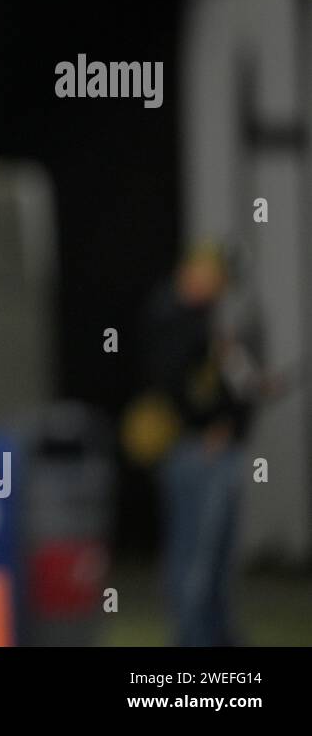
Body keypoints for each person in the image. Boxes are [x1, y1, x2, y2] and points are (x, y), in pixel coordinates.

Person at [139, 241, 268, 646]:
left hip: (220, 448)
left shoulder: (211, 317)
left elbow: (236, 380)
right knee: (193, 553)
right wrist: (206, 424)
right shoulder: (171, 317)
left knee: (217, 555)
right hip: (192, 449)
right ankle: (192, 637)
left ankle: (218, 634)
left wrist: (238, 409)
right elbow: (172, 382)